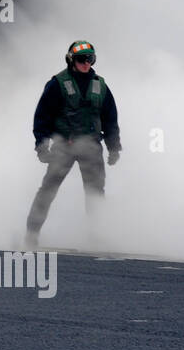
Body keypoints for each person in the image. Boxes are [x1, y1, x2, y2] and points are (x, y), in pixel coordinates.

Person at [24, 40, 121, 246]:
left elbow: (110, 119)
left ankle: (97, 236)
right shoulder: (58, 84)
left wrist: (114, 148)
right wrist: (42, 145)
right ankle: (32, 234)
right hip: (64, 146)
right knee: (48, 189)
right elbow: (42, 116)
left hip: (92, 147)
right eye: (81, 59)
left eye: (90, 59)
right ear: (71, 60)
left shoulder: (100, 85)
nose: (86, 63)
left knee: (95, 193)